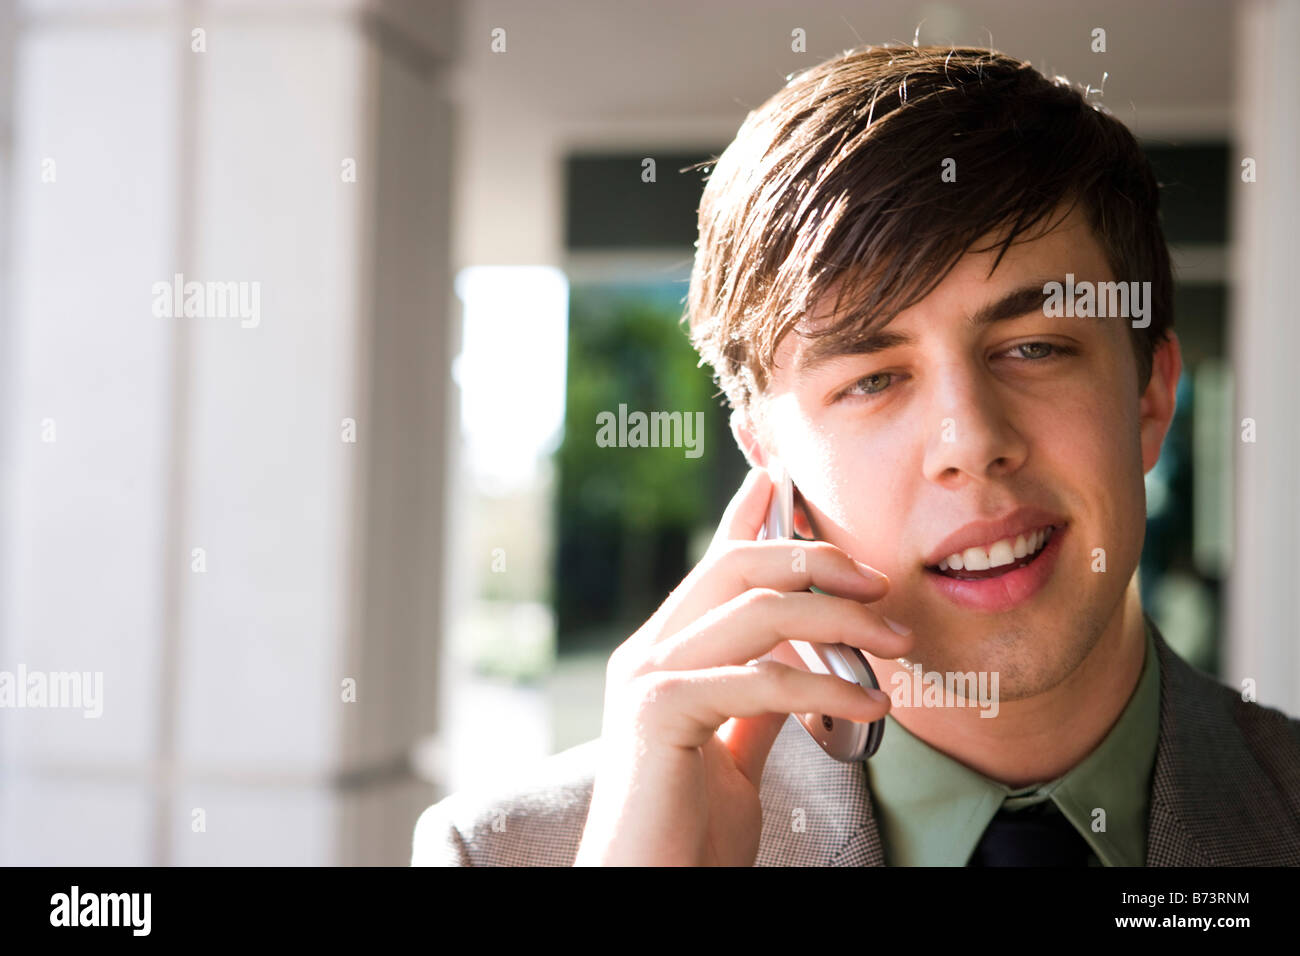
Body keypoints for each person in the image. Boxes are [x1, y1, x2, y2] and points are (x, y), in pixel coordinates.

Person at [412, 44, 1300, 867]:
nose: (972, 443)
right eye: (873, 380)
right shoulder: (505, 851)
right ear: (769, 460)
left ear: (1149, 397)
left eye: (1034, 347)